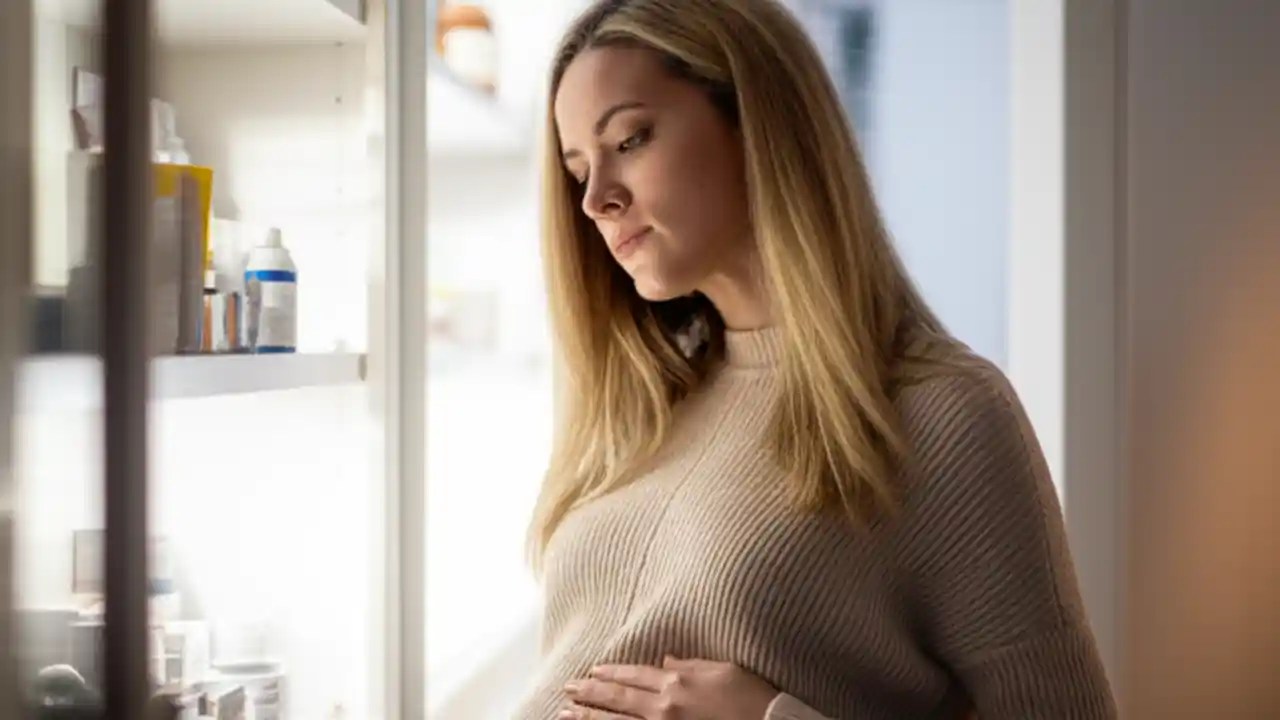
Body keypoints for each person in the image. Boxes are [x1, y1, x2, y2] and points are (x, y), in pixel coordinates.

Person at [517, 0, 1117, 718]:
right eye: (578, 170)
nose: (595, 200)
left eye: (631, 139)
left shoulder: (943, 416)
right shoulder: (646, 403)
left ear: (756, 124)